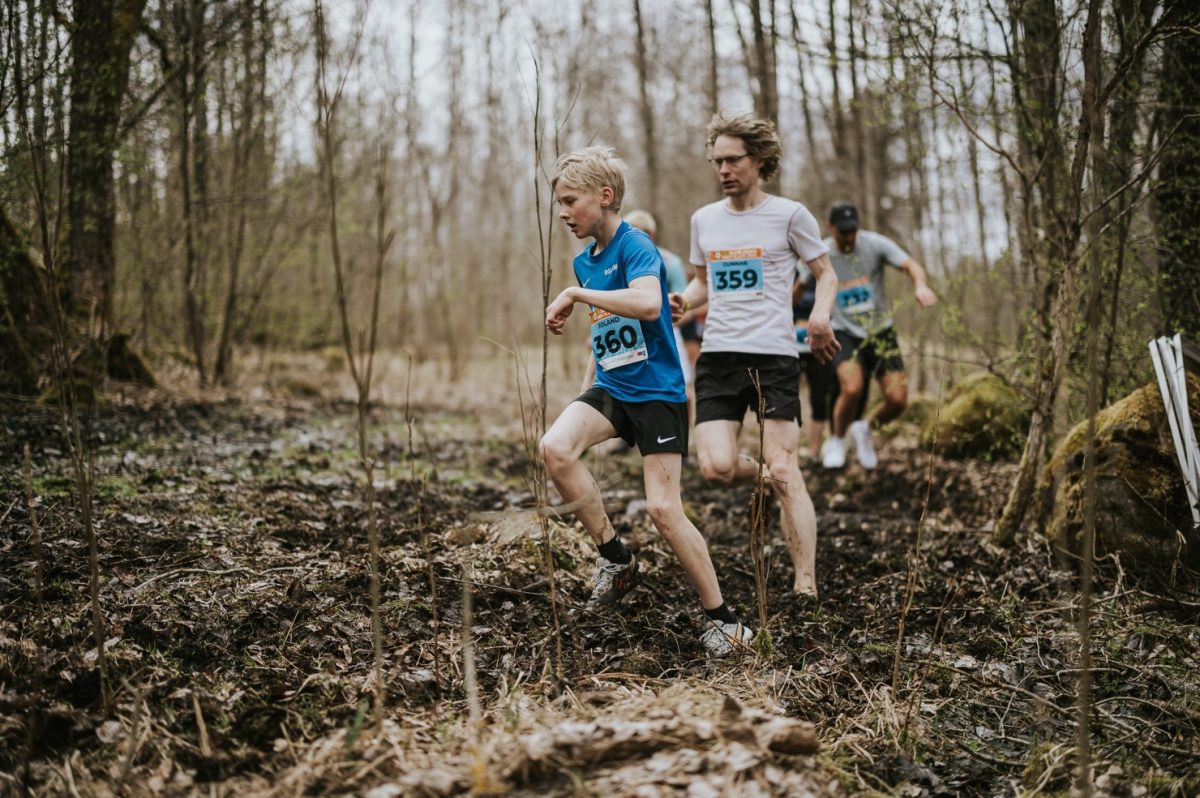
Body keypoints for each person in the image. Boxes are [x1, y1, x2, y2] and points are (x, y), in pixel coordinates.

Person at [541, 146, 754, 656]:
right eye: (560, 204)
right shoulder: (584, 259)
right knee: (555, 449)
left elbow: (647, 302)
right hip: (612, 387)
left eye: (571, 201)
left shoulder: (637, 247)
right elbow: (607, 331)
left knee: (663, 510)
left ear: (605, 196)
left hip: (658, 393)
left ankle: (724, 622)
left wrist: (575, 295)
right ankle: (616, 558)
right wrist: (587, 385)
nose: (564, 213)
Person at [670, 113, 839, 599]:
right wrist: (684, 300)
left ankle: (804, 584)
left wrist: (821, 318)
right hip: (719, 358)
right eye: (717, 161)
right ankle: (769, 478)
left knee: (786, 469)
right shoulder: (704, 219)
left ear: (759, 161)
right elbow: (704, 282)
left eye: (733, 160)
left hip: (774, 357)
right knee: (716, 468)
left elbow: (825, 274)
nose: (723, 169)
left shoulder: (789, 214)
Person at [820, 201, 938, 470]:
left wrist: (920, 286)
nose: (849, 238)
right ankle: (837, 439)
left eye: (853, 231)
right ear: (831, 228)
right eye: (843, 233)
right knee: (852, 388)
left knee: (898, 401)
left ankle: (864, 429)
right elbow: (800, 284)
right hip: (844, 330)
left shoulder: (874, 244)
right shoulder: (822, 253)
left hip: (880, 330)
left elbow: (911, 265)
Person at [625, 209, 696, 421]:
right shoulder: (621, 260)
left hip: (668, 330)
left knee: (683, 384)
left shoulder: (670, 262)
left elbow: (686, 303)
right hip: (634, 332)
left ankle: (683, 437)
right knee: (631, 384)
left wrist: (673, 318)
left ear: (652, 235)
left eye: (641, 233)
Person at [792, 266, 836, 462]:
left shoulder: (825, 274)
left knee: (819, 398)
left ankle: (813, 452)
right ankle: (787, 453)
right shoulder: (787, 270)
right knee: (787, 400)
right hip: (789, 345)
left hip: (817, 345)